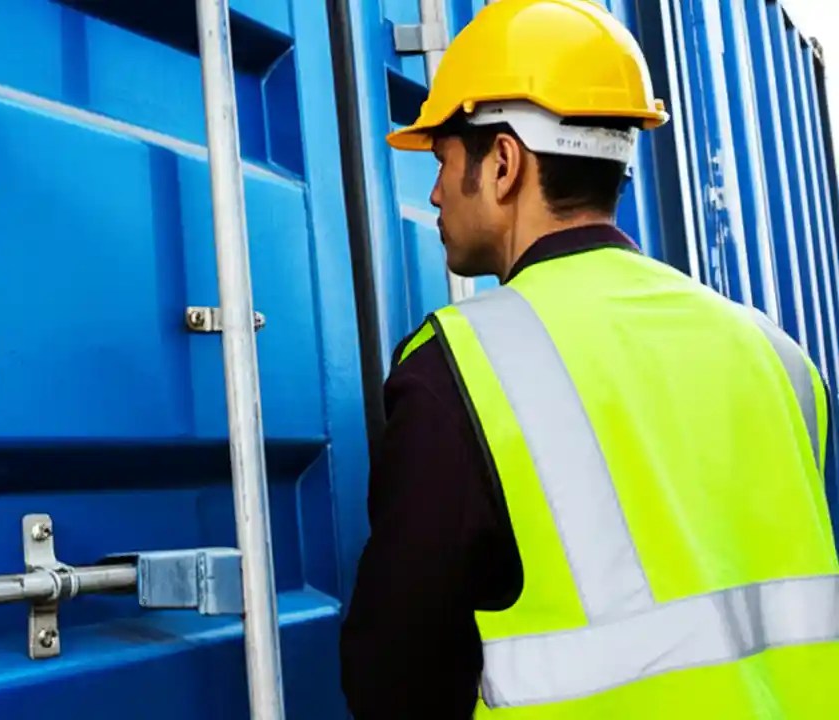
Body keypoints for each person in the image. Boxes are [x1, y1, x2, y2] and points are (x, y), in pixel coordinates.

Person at [339, 0, 839, 718]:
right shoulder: (778, 356)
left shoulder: (456, 370)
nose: (436, 192)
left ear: (504, 162)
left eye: (444, 160)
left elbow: (394, 680)